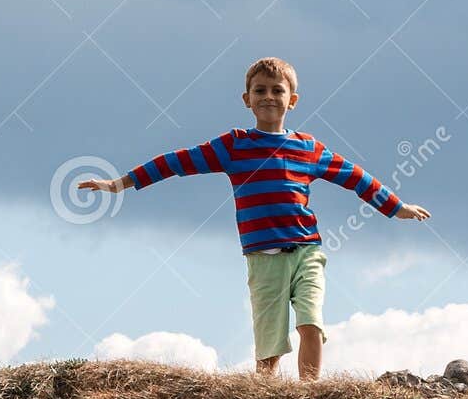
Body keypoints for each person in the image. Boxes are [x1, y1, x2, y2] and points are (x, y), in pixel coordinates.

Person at [79, 56, 431, 380]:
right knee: (269, 343)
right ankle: (264, 396)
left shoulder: (309, 148)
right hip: (263, 257)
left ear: (292, 100)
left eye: (278, 90)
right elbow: (175, 162)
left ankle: (310, 395)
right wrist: (119, 183)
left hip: (307, 250)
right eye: (259, 90)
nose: (268, 97)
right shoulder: (234, 146)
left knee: (310, 322)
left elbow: (355, 177)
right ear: (246, 99)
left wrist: (396, 206)